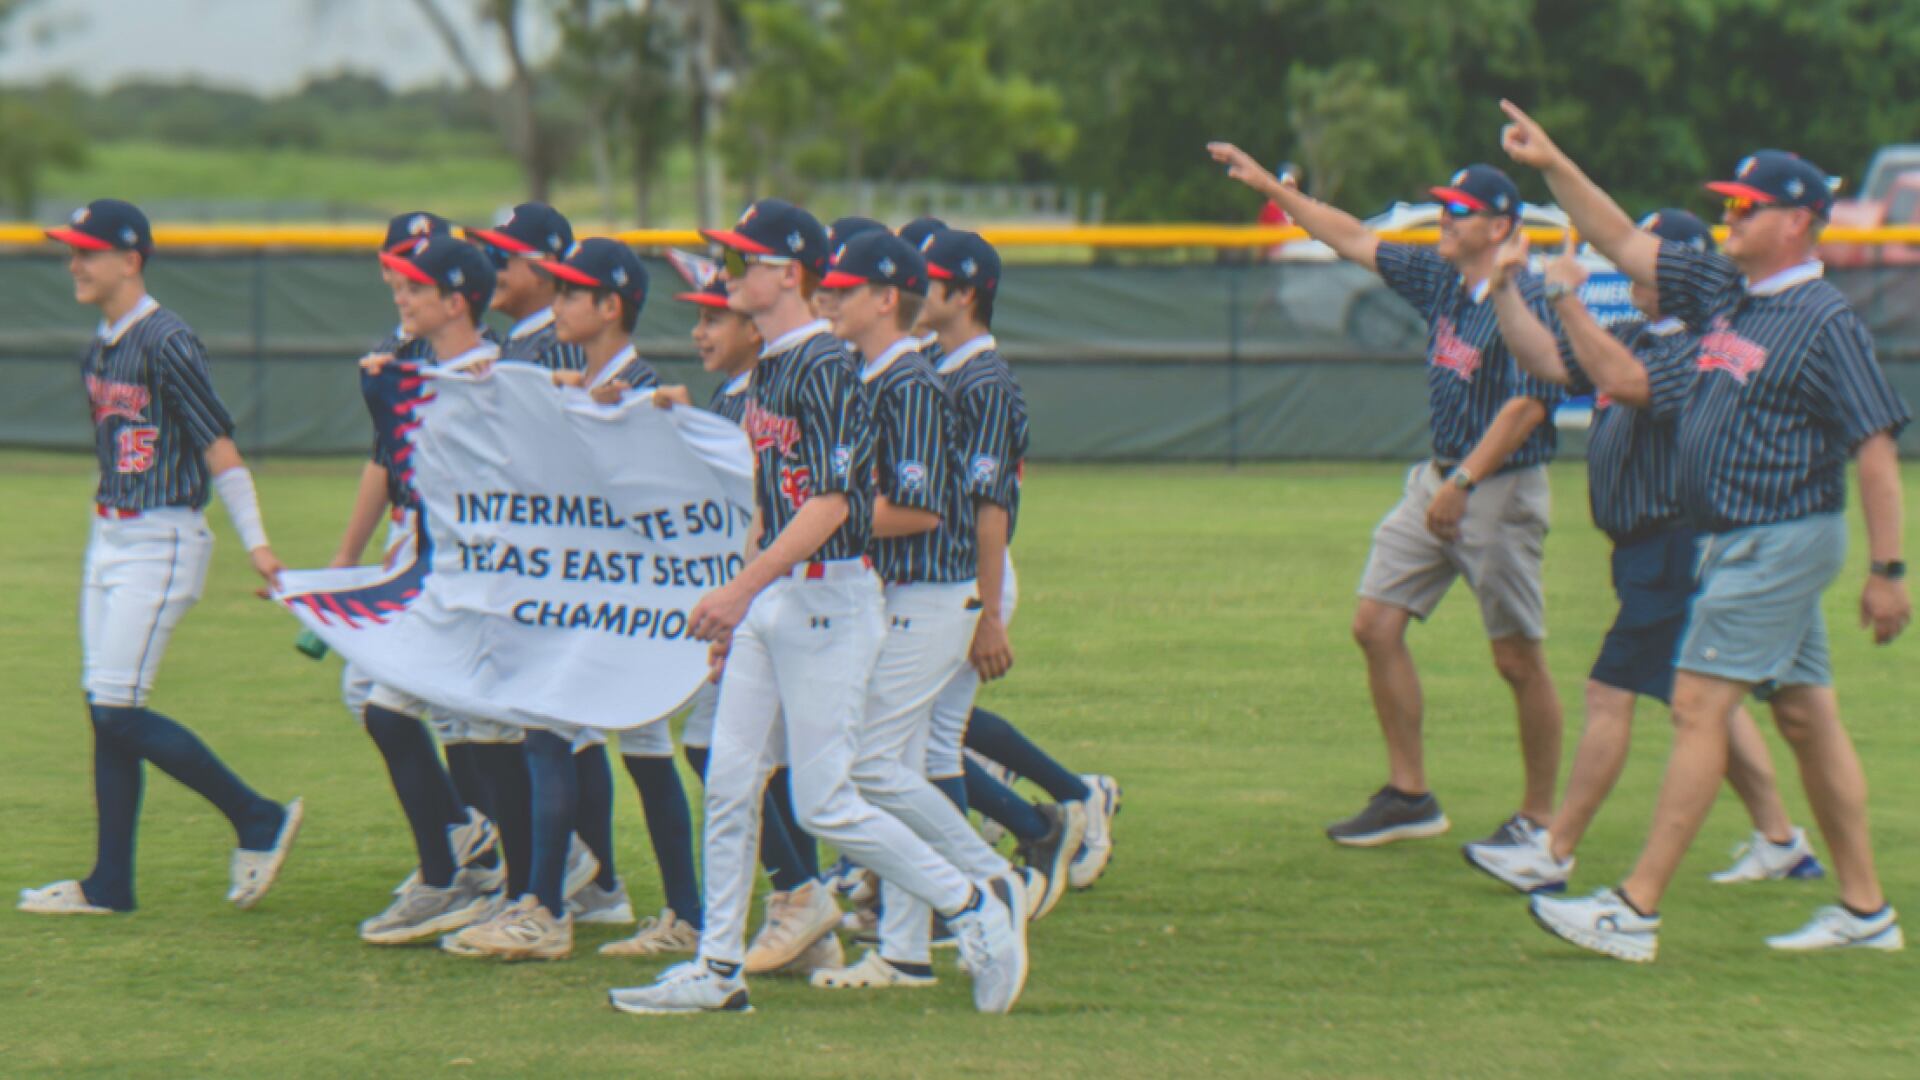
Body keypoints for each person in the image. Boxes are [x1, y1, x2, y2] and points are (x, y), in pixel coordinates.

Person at [1501, 102, 1909, 961]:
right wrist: (1553, 163)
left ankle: (1635, 910)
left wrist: (1889, 569)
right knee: (1804, 720)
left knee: (1695, 707)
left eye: (1746, 207)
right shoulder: (1727, 293)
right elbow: (1617, 237)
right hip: (1736, 539)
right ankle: (1866, 912)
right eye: (1727, 205)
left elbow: (1874, 448)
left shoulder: (1824, 320)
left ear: (1797, 221)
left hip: (1778, 537)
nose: (1730, 217)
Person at [607, 198, 1027, 1016]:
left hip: (833, 603)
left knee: (828, 797)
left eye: (741, 263)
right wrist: (743, 602)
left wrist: (738, 588)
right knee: (729, 779)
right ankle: (718, 969)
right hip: (777, 604)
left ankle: (974, 906)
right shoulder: (771, 363)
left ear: (784, 274)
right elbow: (771, 497)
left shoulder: (828, 365)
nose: (727, 276)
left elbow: (834, 504)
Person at [1208, 140, 1566, 850]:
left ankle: (1540, 816)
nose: (1445, 219)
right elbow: (1353, 237)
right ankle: (1410, 795)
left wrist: (1463, 482)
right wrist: (1274, 192)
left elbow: (1529, 404)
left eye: (1460, 211)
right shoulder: (1441, 277)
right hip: (1440, 479)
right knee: (1375, 624)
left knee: (1516, 659)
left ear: (1500, 226)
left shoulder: (1523, 294)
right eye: (1444, 207)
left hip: (1498, 488)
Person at [1465, 210, 1824, 893]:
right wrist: (1511, 290)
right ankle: (1780, 840)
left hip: (1675, 542)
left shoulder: (1705, 345)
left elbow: (1628, 382)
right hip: (1642, 548)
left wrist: (1567, 299)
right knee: (1703, 697)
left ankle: (1555, 850)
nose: (1630, 270)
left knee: (1610, 692)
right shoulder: (1633, 332)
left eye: (1648, 262)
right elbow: (1545, 361)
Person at [19, 199, 303, 917]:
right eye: (71, 249)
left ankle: (257, 816)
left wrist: (259, 543)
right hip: (109, 538)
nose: (74, 262)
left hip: (163, 537)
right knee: (105, 706)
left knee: (118, 709)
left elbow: (219, 445)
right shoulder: (104, 341)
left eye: (88, 250)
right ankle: (110, 884)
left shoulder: (168, 338)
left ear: (130, 258)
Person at [806, 230, 1024, 990]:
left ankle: (989, 877)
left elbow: (962, 509)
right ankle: (903, 947)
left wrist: (989, 611)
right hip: (908, 589)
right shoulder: (904, 372)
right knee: (897, 763)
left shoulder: (948, 381)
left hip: (938, 589)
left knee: (875, 764)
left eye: (844, 286)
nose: (829, 296)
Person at [341, 212, 506, 945]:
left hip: (483, 579)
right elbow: (400, 464)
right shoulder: (405, 362)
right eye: (399, 275)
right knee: (392, 706)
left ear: (457, 297)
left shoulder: (496, 376)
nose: (402, 292)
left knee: (482, 728)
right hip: (432, 564)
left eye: (419, 281)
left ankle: (507, 876)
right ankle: (462, 864)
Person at [468, 203, 626, 925]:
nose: (491, 268)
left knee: (551, 729)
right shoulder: (523, 343)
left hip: (562, 563)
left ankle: (551, 886)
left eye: (505, 257)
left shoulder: (559, 348)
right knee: (561, 730)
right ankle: (584, 883)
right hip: (540, 559)